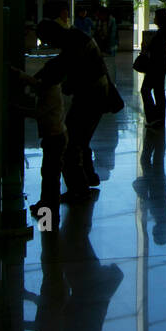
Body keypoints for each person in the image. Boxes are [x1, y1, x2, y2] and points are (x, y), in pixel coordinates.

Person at [34, 20, 120, 200]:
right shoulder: (75, 37)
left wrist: (36, 81)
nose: (49, 44)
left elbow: (61, 67)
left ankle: (79, 189)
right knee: (81, 138)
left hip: (90, 96)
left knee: (71, 143)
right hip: (97, 93)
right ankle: (88, 177)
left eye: (47, 40)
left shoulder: (73, 42)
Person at [12, 63, 67, 228]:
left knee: (50, 177)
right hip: (56, 137)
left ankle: (50, 217)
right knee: (49, 175)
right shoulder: (52, 86)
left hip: (54, 138)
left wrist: (17, 110)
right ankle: (46, 208)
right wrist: (21, 75)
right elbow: (37, 84)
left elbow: (37, 113)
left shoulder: (50, 92)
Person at [141, 7, 166, 128]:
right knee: (159, 92)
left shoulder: (161, 34)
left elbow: (156, 50)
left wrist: (146, 48)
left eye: (155, 16)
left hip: (155, 66)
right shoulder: (165, 32)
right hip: (161, 65)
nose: (154, 18)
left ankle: (153, 117)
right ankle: (159, 118)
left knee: (146, 90)